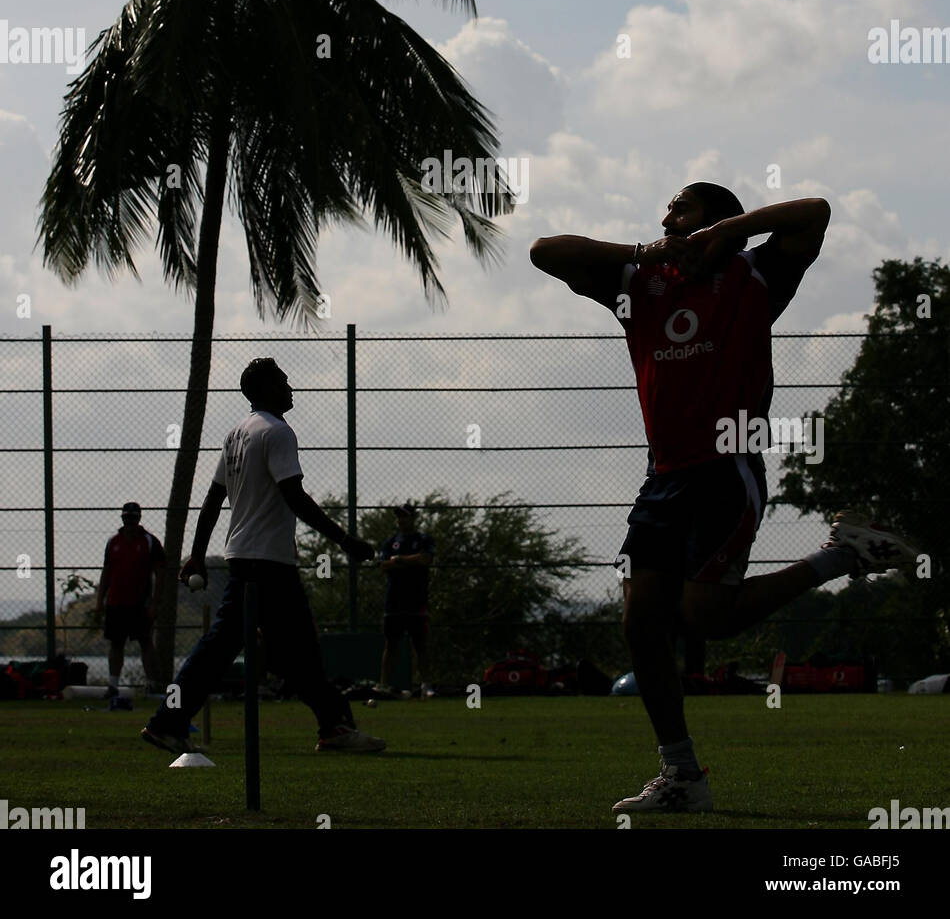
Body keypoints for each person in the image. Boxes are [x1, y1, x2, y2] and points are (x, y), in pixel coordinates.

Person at [530, 182, 920, 814]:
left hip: (725, 469)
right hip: (662, 475)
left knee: (706, 618)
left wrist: (726, 235)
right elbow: (545, 251)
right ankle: (681, 774)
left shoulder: (756, 271)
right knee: (640, 623)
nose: (667, 218)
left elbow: (814, 212)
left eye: (681, 209)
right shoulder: (639, 281)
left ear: (719, 223)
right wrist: (647, 250)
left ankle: (840, 557)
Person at [141, 358, 385, 755]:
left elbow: (213, 498)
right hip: (268, 562)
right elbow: (295, 496)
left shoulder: (237, 433)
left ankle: (169, 721)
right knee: (288, 650)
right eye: (283, 382)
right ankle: (333, 725)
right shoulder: (277, 433)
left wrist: (199, 555)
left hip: (242, 557)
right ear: (265, 390)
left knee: (258, 651)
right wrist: (344, 540)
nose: (291, 388)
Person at [95, 501, 165, 694]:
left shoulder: (150, 542)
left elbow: (161, 574)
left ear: (139, 519)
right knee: (116, 643)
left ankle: (151, 684)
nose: (130, 522)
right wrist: (100, 600)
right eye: (127, 518)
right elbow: (107, 572)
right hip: (116, 603)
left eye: (133, 518)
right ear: (123, 518)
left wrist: (154, 603)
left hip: (140, 604)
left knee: (146, 642)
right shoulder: (113, 542)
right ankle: (113, 685)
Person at [376, 503, 435, 698]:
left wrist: (400, 560)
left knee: (421, 645)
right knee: (391, 645)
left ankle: (426, 685)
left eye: (405, 516)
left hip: (417, 600)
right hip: (394, 602)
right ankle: (384, 685)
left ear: (413, 518)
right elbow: (383, 566)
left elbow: (425, 560)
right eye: (399, 517)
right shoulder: (389, 541)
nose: (401, 520)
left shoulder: (423, 539)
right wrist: (408, 562)